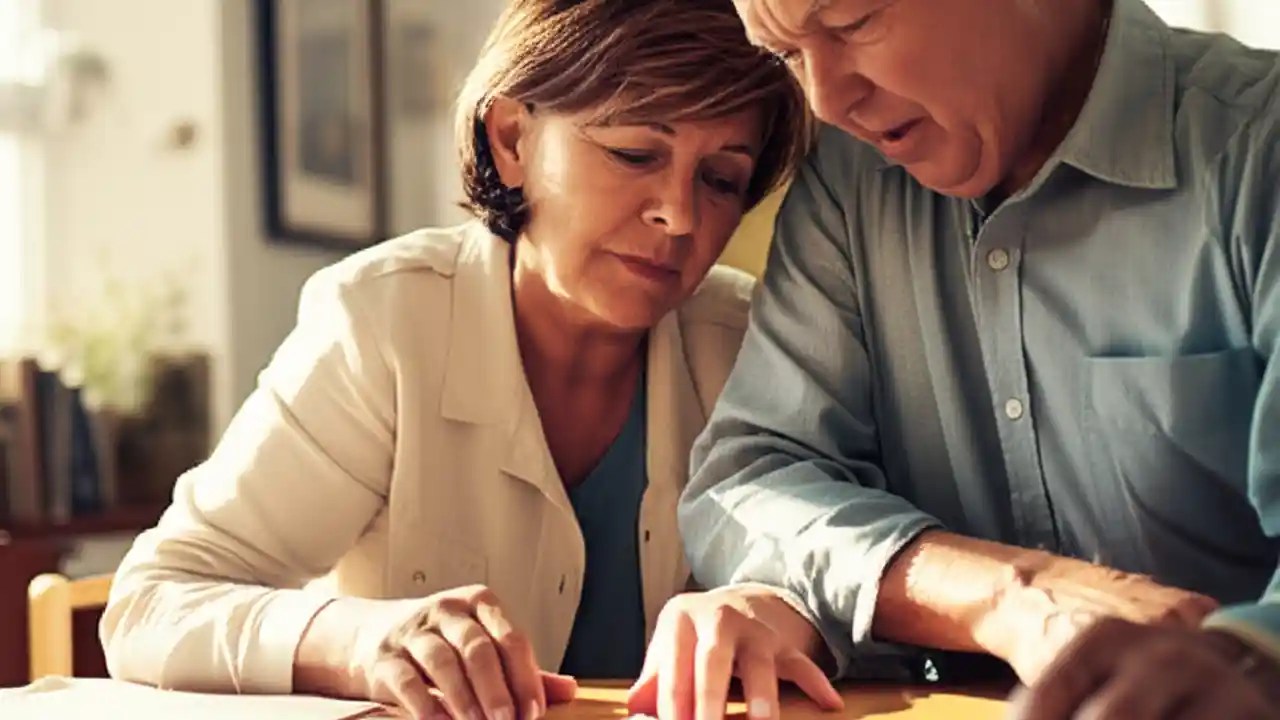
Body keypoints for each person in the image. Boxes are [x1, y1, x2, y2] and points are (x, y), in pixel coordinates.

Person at [100, 3, 844, 720]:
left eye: (720, 180)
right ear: (512, 140)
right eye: (633, 154)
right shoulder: (382, 322)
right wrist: (358, 639)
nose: (679, 216)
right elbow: (152, 602)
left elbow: (838, 594)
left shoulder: (749, 343)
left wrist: (777, 611)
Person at [681, 0, 1280, 716]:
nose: (826, 101)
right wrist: (1005, 593)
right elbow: (751, 481)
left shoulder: (1259, 150)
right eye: (786, 55)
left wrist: (1252, 654)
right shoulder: (846, 184)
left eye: (849, 25)